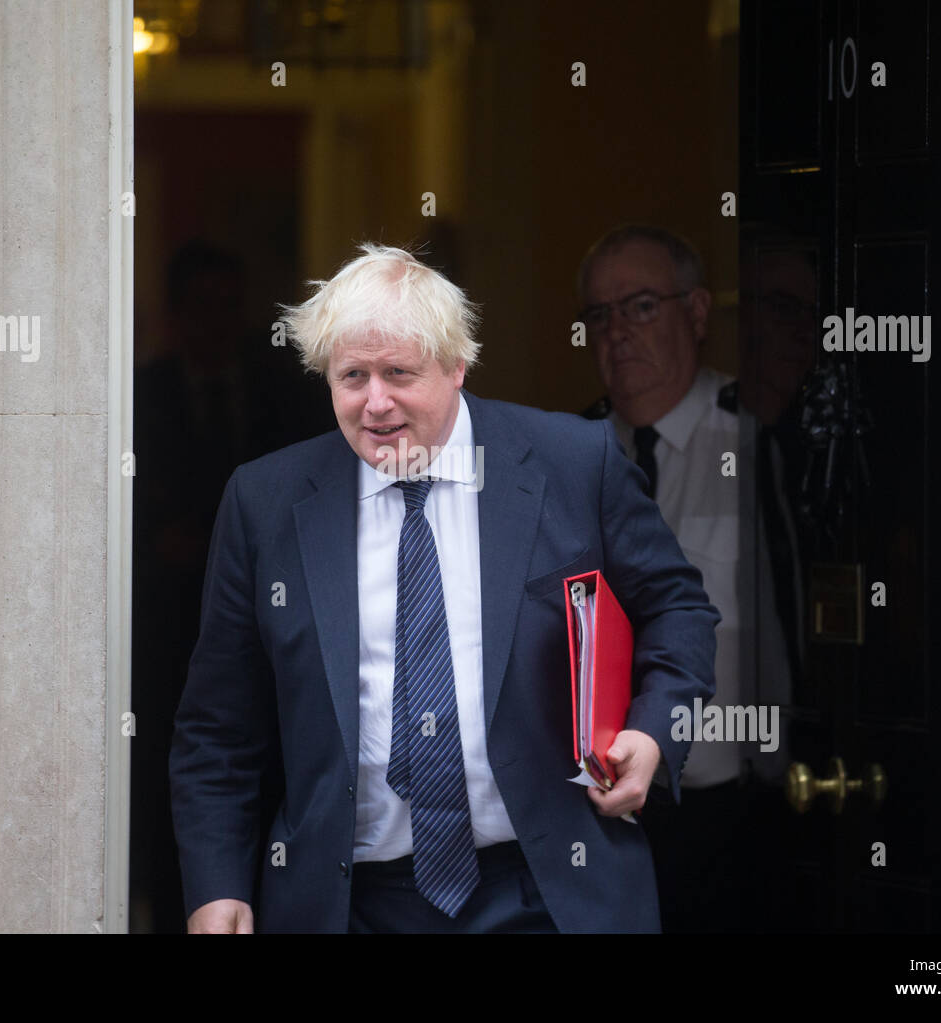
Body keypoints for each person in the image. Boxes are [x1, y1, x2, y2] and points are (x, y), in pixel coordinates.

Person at [169, 242, 719, 933]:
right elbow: (218, 726)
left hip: (546, 891)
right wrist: (216, 886)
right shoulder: (266, 503)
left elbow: (678, 608)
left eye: (399, 372)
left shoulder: (574, 461)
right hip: (350, 903)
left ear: (457, 363)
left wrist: (654, 730)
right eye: (352, 376)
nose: (375, 403)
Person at [578, 224, 791, 932]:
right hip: (597, 809)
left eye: (641, 306)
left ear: (697, 313)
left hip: (735, 810)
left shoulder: (760, 437)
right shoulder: (566, 455)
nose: (617, 332)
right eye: (599, 315)